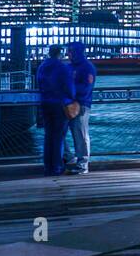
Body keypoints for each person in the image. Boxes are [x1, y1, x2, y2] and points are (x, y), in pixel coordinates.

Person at [35, 45, 77, 176]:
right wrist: (72, 98)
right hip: (59, 104)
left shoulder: (42, 66)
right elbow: (70, 87)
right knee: (59, 136)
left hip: (45, 103)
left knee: (49, 135)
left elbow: (39, 83)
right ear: (60, 53)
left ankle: (48, 165)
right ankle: (57, 167)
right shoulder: (62, 67)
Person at [64, 41, 97, 173]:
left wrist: (70, 90)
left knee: (80, 134)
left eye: (70, 51)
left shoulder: (87, 67)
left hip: (81, 104)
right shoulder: (72, 67)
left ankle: (82, 164)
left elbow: (86, 87)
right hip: (69, 104)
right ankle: (71, 158)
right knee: (64, 133)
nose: (68, 53)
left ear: (77, 52)